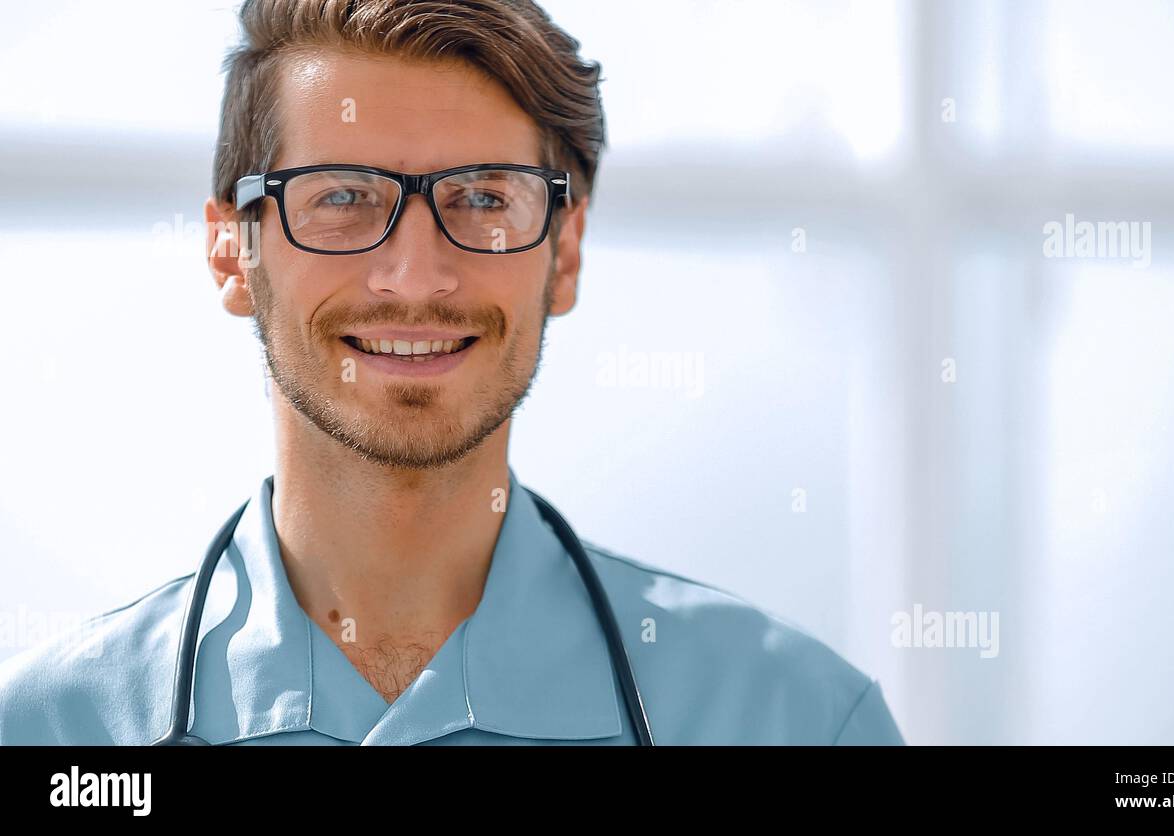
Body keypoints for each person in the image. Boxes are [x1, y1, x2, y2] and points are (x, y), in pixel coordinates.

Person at [0, 0, 904, 746]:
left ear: (565, 253)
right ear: (233, 253)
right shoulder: (47, 730)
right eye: (344, 196)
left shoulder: (797, 719)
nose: (415, 277)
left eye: (481, 198)